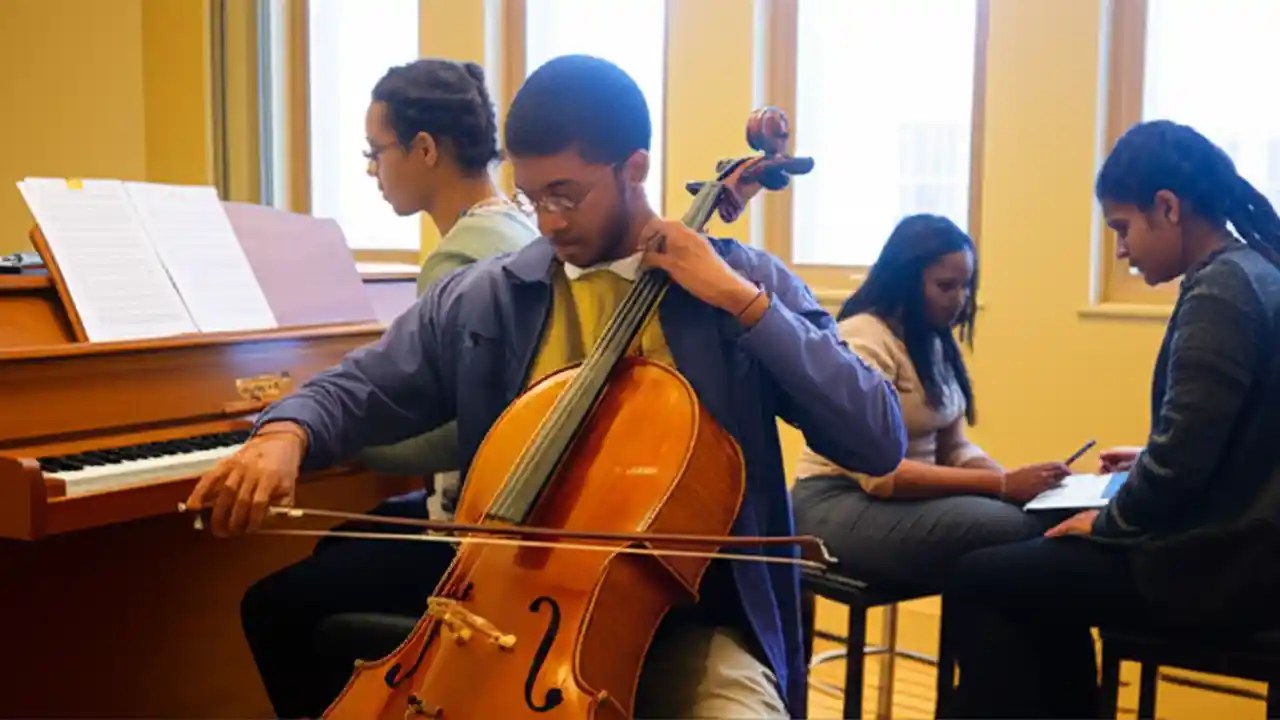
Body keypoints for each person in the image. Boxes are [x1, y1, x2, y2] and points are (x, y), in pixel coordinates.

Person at [187, 54, 908, 719]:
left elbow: (875, 438)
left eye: (567, 195)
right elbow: (360, 387)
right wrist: (286, 433)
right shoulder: (488, 296)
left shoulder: (739, 285)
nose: (550, 222)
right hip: (515, 622)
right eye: (534, 199)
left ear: (634, 168)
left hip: (691, 620)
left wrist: (745, 305)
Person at [941, 119, 1280, 718]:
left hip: (1220, 569)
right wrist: (1146, 461)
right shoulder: (1255, 272)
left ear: (1168, 207)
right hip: (1248, 548)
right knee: (1032, 567)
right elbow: (1228, 440)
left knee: (982, 577)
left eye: (1122, 228)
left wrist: (1107, 522)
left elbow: (1178, 472)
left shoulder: (1220, 292)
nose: (1121, 249)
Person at [235, 58, 536, 720]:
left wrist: (341, 444)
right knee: (336, 544)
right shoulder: (516, 225)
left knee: (272, 604)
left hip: (470, 534)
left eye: (377, 152)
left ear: (425, 149)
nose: (372, 170)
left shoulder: (462, 259)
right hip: (486, 522)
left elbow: (458, 425)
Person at [791, 213, 1070, 591]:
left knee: (1026, 522)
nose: (960, 300)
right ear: (905, 282)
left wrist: (1020, 483)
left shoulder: (931, 340)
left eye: (966, 286)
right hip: (835, 501)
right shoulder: (861, 339)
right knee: (1018, 527)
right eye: (946, 286)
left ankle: (972, 648)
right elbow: (882, 476)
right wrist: (1000, 484)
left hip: (905, 502)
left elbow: (953, 446)